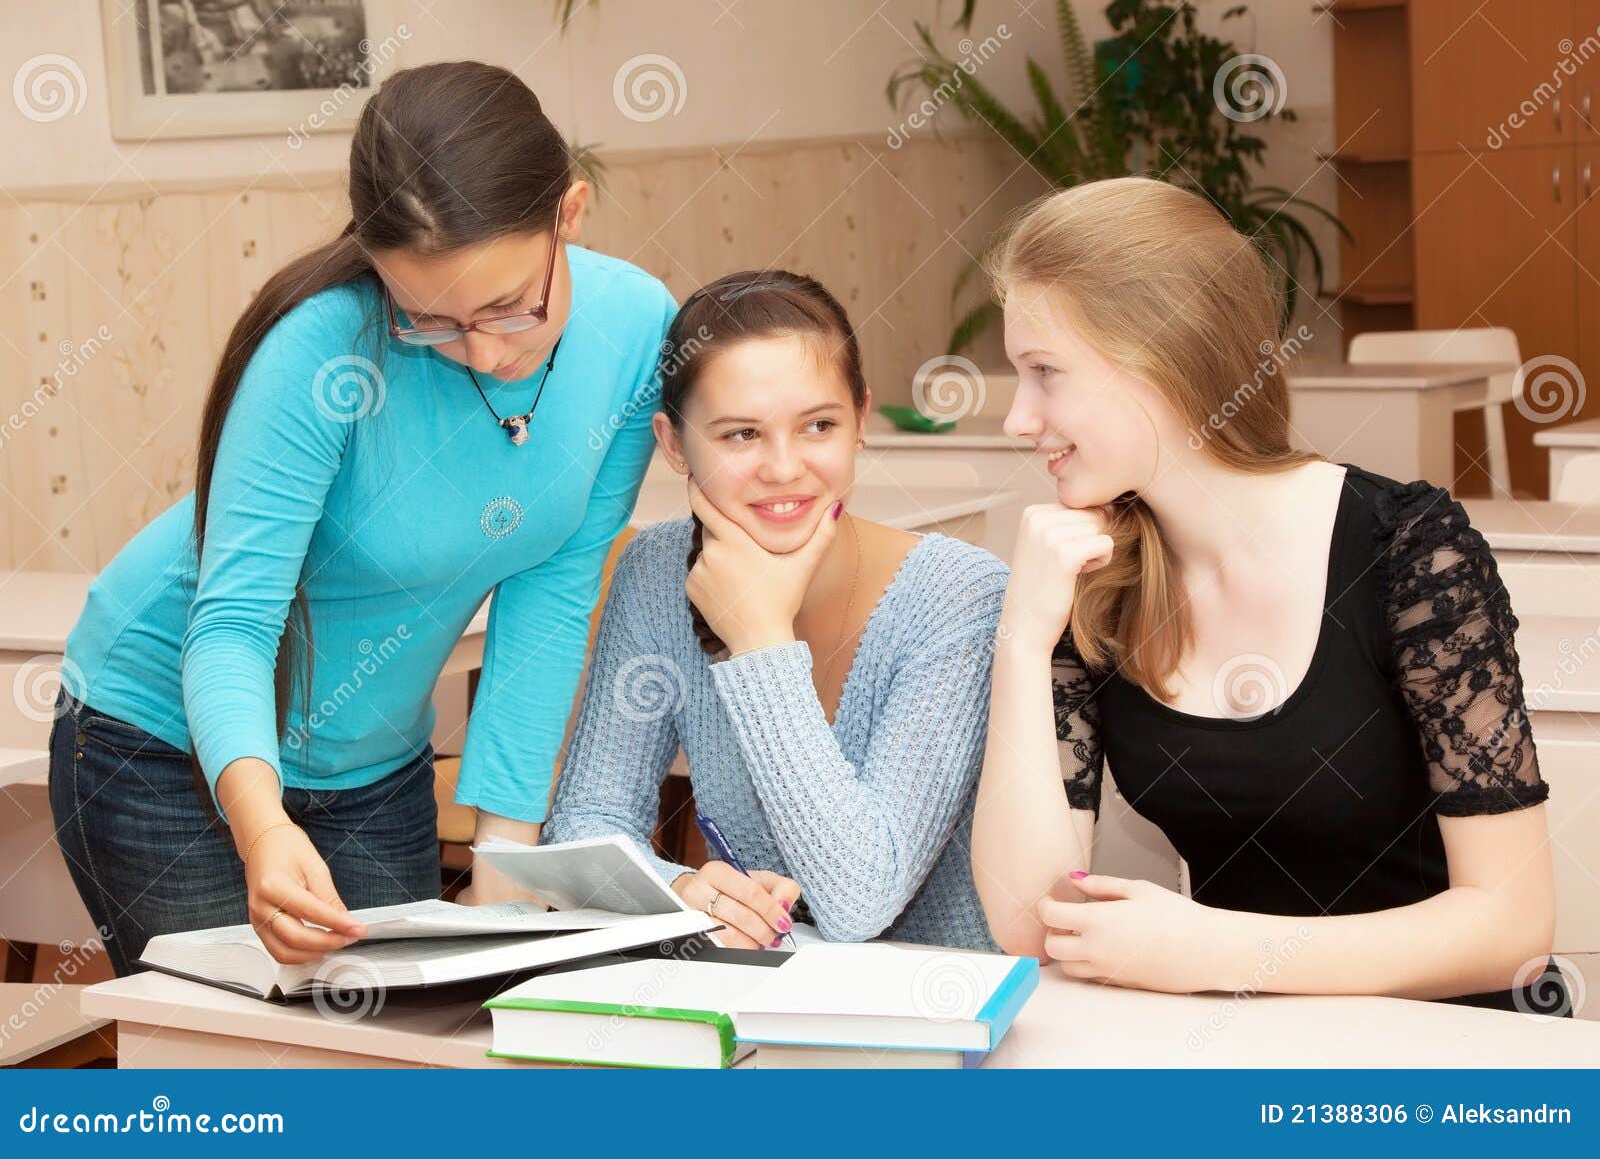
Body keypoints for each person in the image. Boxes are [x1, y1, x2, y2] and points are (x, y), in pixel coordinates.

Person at [49, 61, 675, 976]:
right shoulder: (323, 347)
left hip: (375, 763)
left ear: (569, 215)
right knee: (244, 1071)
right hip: (161, 743)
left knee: (401, 1054)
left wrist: (504, 860)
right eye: (433, 321)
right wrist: (261, 832)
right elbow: (230, 625)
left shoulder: (637, 332)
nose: (485, 352)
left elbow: (553, 597)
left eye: (509, 307)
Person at [971, 176, 1569, 1015]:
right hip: (1250, 1048)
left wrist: (1223, 948)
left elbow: (1512, 927)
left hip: (1450, 1058)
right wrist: (1021, 643)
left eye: (1044, 372)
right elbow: (1030, 923)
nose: (1018, 419)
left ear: (1163, 357)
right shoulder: (1099, 580)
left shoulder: (1408, 549)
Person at [542, 271, 1005, 950]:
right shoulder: (654, 575)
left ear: (861, 421)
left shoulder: (959, 595)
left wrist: (758, 637)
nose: (784, 468)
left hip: (940, 1019)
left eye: (819, 425)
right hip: (754, 1005)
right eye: (740, 435)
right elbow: (587, 821)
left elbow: (858, 901)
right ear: (673, 444)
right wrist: (673, 890)